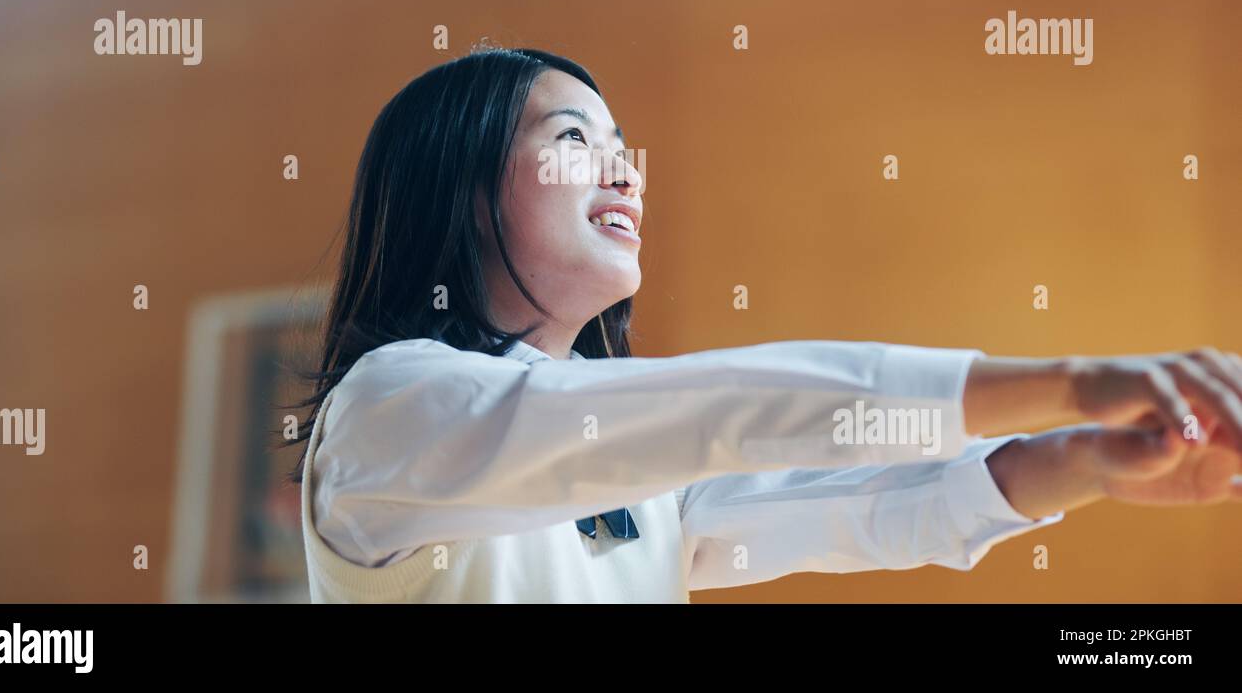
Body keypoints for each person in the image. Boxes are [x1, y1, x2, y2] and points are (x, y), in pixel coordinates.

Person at [286, 46, 1242, 603]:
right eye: (575, 139)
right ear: (456, 184)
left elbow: (874, 501)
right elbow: (728, 409)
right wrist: (1073, 378)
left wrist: (1090, 455)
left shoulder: (639, 487)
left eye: (627, 149)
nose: (624, 173)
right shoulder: (390, 408)